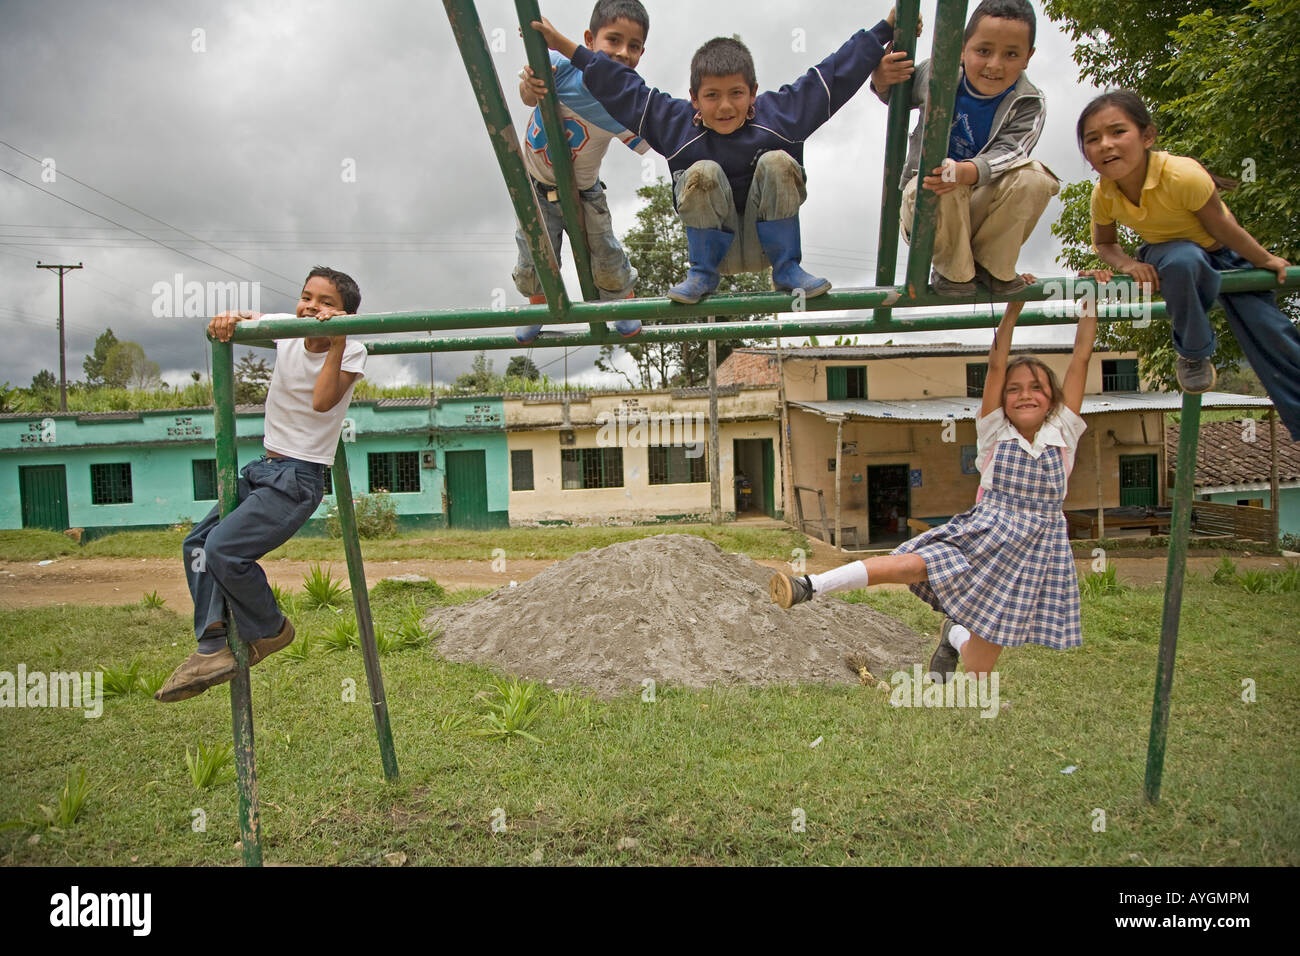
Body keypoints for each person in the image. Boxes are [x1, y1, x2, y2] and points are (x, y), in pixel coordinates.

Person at [770, 288, 1098, 683]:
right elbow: (995, 367)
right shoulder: (994, 431)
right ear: (1003, 399)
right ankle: (808, 585)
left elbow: (1081, 358)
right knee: (908, 565)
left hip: (1034, 553)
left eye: (1036, 388)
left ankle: (953, 634)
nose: (1024, 394)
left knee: (979, 669)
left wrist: (1090, 299)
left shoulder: (1065, 432)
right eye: (1015, 389)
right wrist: (1013, 309)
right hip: (985, 533)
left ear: (1052, 399)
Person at [529, 8, 913, 304]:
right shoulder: (676, 125)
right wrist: (563, 45)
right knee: (703, 171)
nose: (725, 106)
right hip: (716, 249)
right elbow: (622, 87)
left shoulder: (778, 116)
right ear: (695, 98)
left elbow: (829, 76)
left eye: (736, 94)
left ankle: (788, 269)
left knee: (777, 162)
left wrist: (884, 30)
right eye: (712, 96)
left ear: (753, 94)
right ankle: (702, 273)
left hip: (766, 244)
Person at [155, 267, 367, 702]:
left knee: (226, 549)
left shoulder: (353, 349)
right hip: (264, 468)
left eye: (326, 303)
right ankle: (212, 644)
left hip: (299, 477)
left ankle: (271, 629)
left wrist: (340, 337)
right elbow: (248, 319)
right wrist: (229, 317)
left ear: (344, 314)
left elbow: (323, 401)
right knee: (197, 545)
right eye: (307, 297)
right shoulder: (287, 331)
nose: (312, 307)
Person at [1079, 90, 1300, 439]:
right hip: (1168, 253)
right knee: (1183, 261)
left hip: (1224, 251)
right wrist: (1128, 265)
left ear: (1147, 136)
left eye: (1117, 132)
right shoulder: (1103, 194)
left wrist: (1266, 260)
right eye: (1093, 139)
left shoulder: (1182, 175)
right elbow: (1105, 243)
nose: (1105, 144)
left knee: (1271, 332)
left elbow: (1225, 229)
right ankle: (1194, 353)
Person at [873, 0, 1057, 298]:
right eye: (983, 51)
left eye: (1011, 54)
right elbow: (895, 93)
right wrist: (881, 79)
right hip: (928, 201)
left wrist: (966, 172)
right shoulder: (938, 73)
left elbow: (1011, 154)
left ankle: (992, 267)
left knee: (1035, 177)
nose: (995, 64)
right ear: (961, 48)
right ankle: (953, 272)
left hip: (981, 207)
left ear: (1028, 57)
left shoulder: (1029, 102)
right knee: (941, 177)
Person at [512, 0, 651, 345]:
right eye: (613, 41)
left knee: (604, 252)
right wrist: (528, 89)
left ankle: (621, 303)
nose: (622, 53)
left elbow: (651, 137)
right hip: (537, 188)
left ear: (641, 53)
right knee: (534, 257)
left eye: (633, 47)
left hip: (585, 192)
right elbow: (527, 94)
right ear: (589, 40)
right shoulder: (558, 66)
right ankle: (537, 307)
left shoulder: (624, 101)